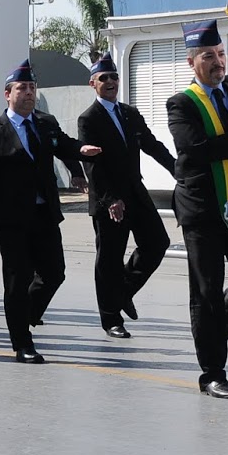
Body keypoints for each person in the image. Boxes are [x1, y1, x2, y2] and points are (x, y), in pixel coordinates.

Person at [0, 60, 96, 363]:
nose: (28, 93)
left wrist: (82, 150)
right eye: (22, 88)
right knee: (17, 278)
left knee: (54, 273)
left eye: (32, 88)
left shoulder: (45, 123)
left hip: (43, 214)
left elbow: (64, 145)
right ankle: (22, 343)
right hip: (7, 219)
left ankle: (26, 315)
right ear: (7, 94)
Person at [166, 21, 228, 400]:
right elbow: (193, 149)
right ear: (192, 61)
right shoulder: (181, 103)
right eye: (208, 56)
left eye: (221, 54)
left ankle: (209, 334)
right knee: (207, 292)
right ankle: (212, 373)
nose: (217, 61)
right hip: (201, 209)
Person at [76, 54, 176, 338]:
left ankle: (122, 291)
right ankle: (110, 319)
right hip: (109, 199)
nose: (110, 82)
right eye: (104, 78)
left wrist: (178, 169)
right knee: (109, 258)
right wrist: (110, 199)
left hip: (135, 191)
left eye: (114, 77)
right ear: (93, 84)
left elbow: (151, 144)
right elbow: (91, 163)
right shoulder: (89, 119)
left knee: (157, 242)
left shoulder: (130, 114)